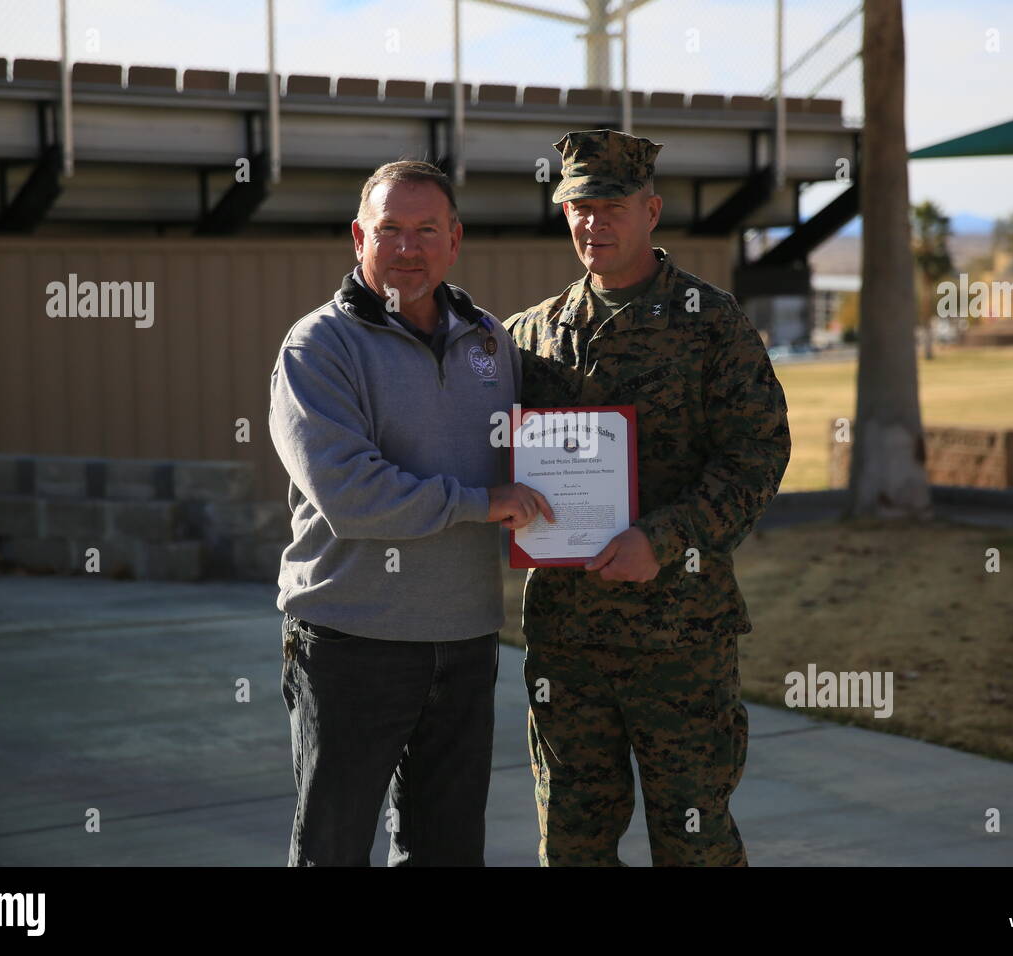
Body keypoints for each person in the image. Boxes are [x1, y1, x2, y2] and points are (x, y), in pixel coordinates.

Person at [505, 129, 792, 866]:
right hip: (567, 644)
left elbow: (757, 456)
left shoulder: (711, 323)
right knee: (572, 841)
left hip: (680, 640)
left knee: (693, 839)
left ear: (651, 209)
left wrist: (662, 540)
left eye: (611, 206)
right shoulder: (531, 335)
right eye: (577, 207)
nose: (592, 223)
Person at [268, 160, 552, 867]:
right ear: (358, 237)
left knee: (447, 851)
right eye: (389, 229)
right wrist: (481, 504)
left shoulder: (490, 339)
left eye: (426, 229)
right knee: (332, 849)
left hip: (465, 638)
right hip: (352, 639)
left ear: (454, 241)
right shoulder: (319, 347)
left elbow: (531, 458)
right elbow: (352, 495)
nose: (407, 247)